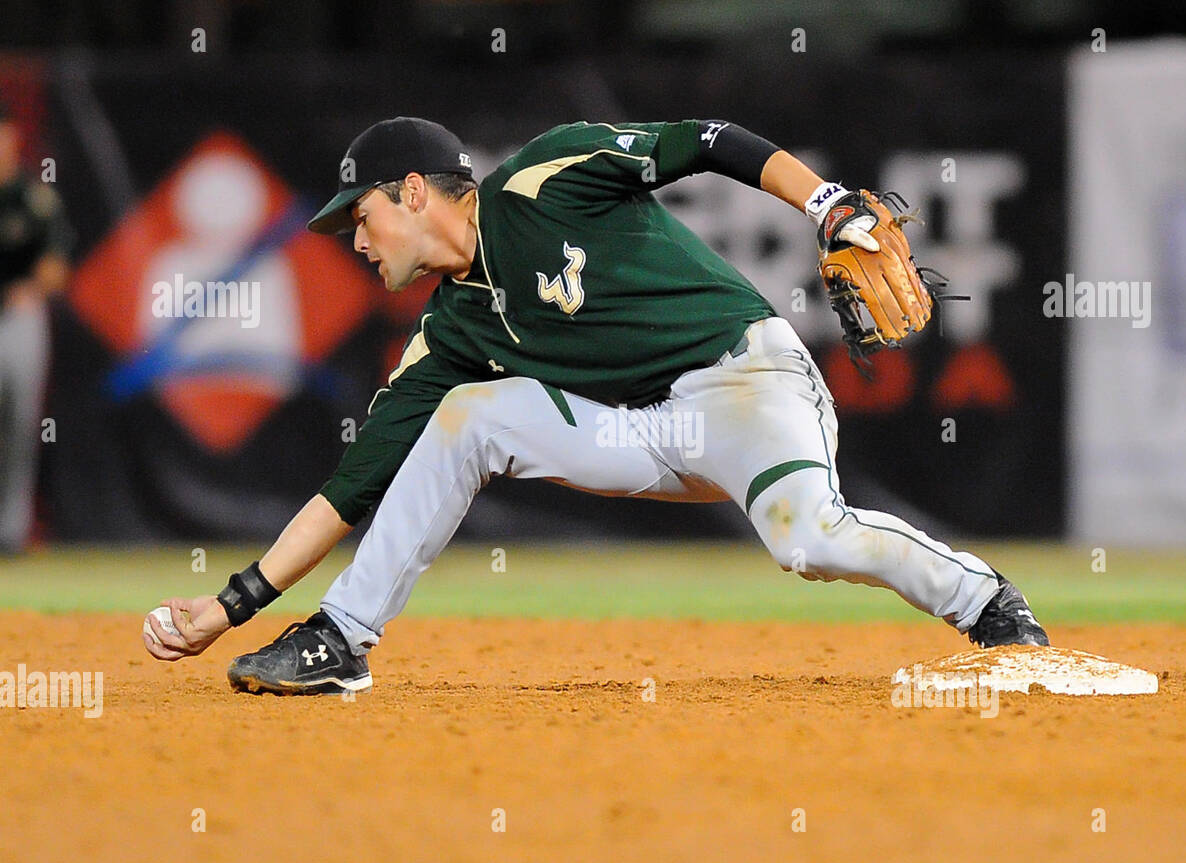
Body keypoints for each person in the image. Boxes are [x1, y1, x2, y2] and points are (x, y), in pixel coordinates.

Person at [144, 116, 1047, 695]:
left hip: (746, 384)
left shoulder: (543, 178)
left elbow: (703, 139)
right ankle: (341, 639)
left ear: (413, 193)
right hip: (645, 434)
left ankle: (986, 603)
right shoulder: (450, 329)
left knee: (808, 542)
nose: (358, 239)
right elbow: (353, 486)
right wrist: (234, 604)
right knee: (469, 418)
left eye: (362, 217)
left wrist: (822, 203)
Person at [0, 103, 71, 554]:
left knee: (20, 424)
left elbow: (56, 268)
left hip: (16, 317)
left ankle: (9, 533)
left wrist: (28, 286)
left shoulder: (33, 197)